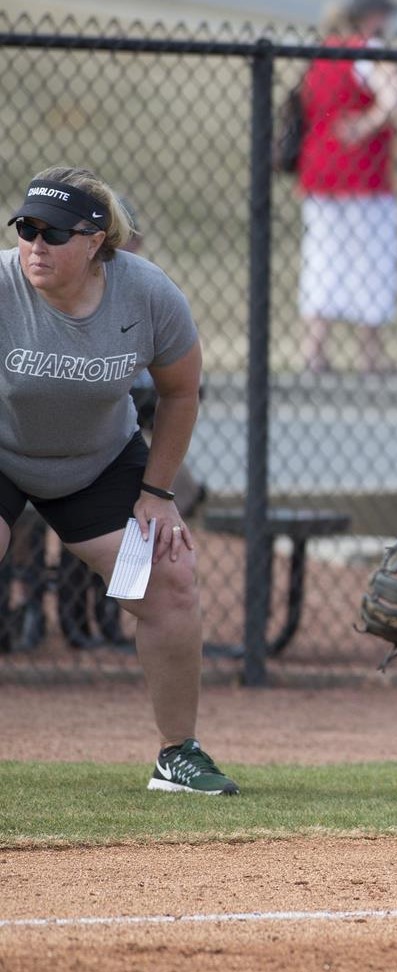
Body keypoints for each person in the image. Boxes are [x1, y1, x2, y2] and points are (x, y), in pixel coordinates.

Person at [0, 167, 237, 794]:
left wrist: (158, 495)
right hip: (2, 452)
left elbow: (181, 392)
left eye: (53, 233)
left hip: (96, 463)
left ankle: (177, 756)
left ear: (96, 239)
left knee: (169, 578)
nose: (35, 246)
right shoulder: (1, 286)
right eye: (26, 229)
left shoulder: (147, 294)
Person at [297, 0, 397, 377]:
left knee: (323, 259)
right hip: (363, 175)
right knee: (373, 260)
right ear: (369, 14)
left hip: (320, 171)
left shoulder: (323, 51)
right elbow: (393, 96)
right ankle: (370, 355)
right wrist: (367, 123)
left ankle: (314, 350)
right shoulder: (368, 51)